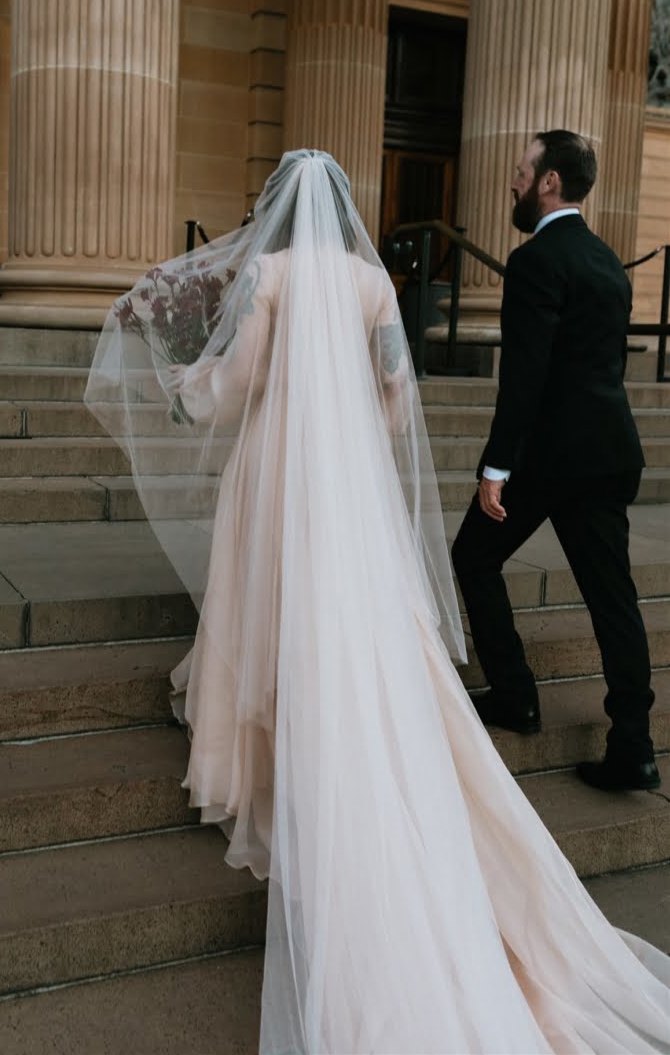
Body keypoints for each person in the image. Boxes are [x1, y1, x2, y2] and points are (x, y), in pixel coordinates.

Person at [86, 150, 670, 1055]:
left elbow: (231, 386)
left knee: (264, 618)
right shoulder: (371, 284)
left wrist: (181, 391)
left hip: (277, 482)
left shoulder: (267, 275)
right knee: (355, 631)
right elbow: (398, 405)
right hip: (353, 491)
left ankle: (263, 773)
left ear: (277, 206)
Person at [451, 130, 659, 794]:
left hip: (552, 457)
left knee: (473, 557)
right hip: (610, 451)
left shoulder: (536, 259)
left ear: (548, 181)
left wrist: (495, 467)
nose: (513, 181)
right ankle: (635, 745)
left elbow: (528, 377)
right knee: (613, 598)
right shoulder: (604, 260)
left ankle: (514, 694)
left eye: (521, 171)